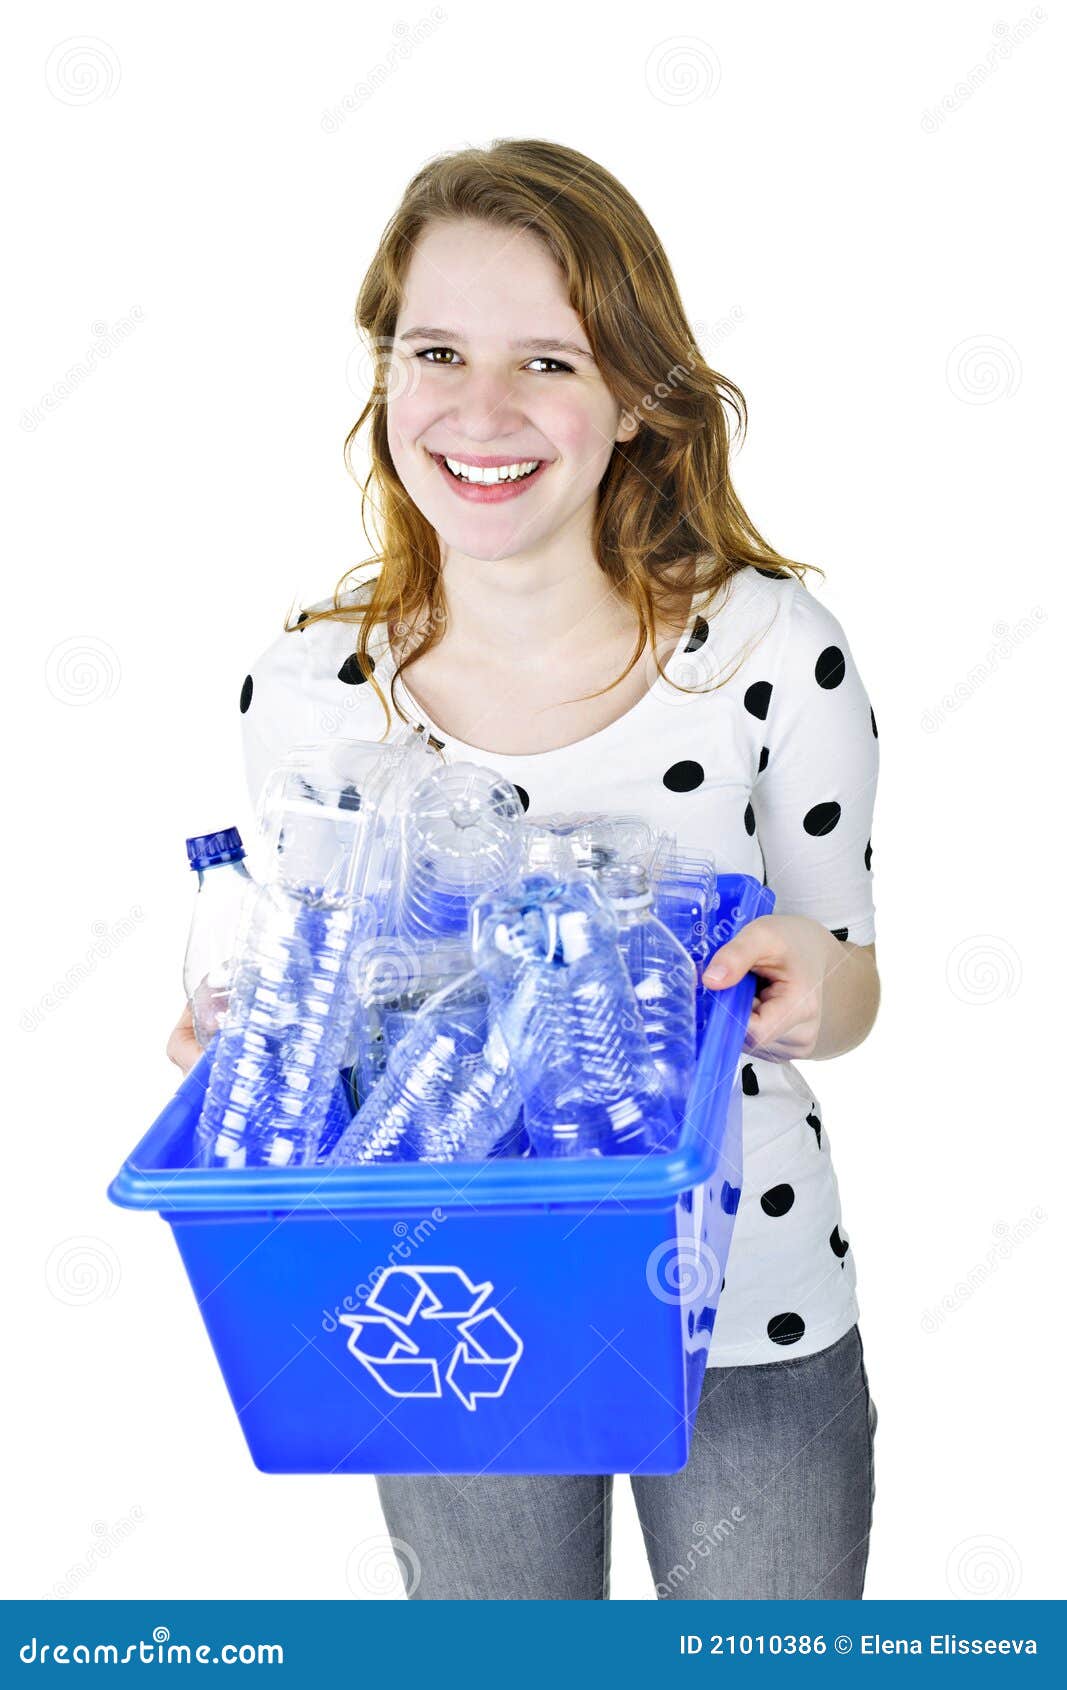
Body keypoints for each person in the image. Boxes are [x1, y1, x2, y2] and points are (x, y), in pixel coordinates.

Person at [167, 139, 881, 1600]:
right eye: (437, 350)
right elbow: (311, 1009)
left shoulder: (766, 651)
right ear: (386, 381)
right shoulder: (311, 688)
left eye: (548, 362)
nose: (481, 412)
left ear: (633, 397)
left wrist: (818, 986)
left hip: (741, 1298)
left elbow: (851, 972)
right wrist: (238, 1050)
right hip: (438, 1297)